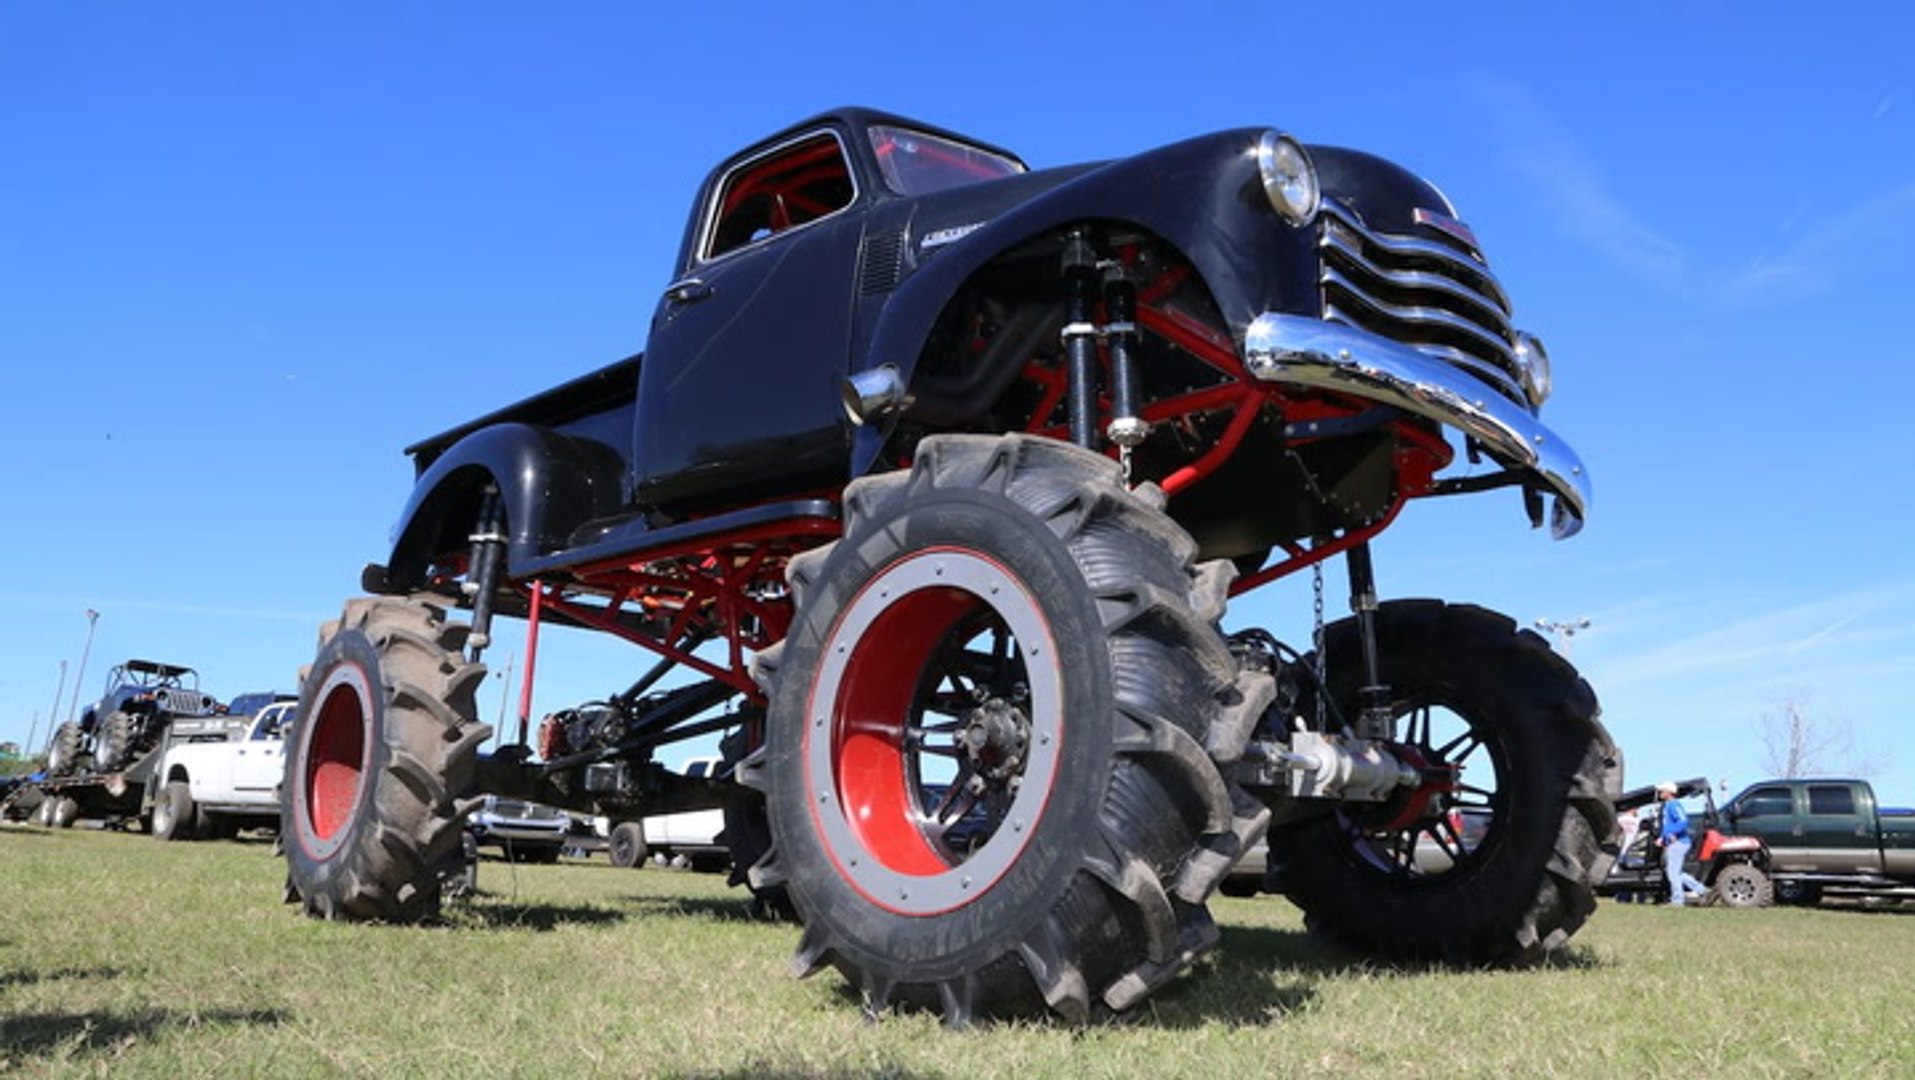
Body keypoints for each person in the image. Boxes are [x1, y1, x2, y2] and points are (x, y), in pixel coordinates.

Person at [1656, 780, 1708, 905]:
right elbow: (1669, 825)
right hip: (1677, 842)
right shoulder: (1669, 805)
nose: (1659, 792)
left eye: (1662, 790)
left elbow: (1683, 821)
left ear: (1669, 792)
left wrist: (1671, 833)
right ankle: (1702, 890)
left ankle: (1677, 900)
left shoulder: (1674, 805)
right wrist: (1662, 838)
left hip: (1679, 843)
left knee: (1672, 873)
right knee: (1677, 873)